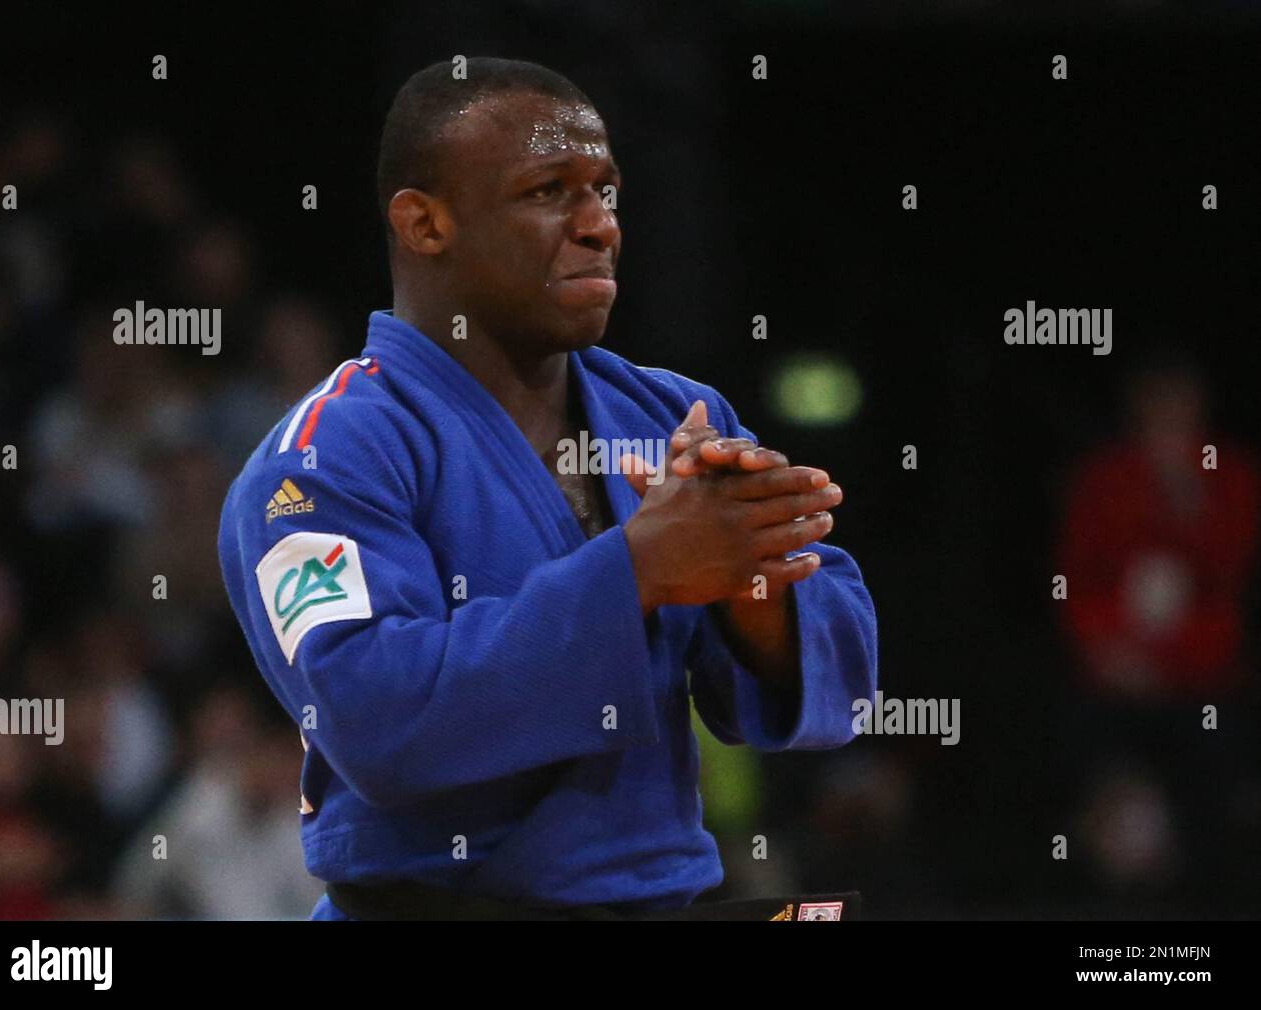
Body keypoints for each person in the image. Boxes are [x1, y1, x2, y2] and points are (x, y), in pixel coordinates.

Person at [217, 58, 877, 920]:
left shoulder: (674, 415)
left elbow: (847, 686)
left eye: (606, 190)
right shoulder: (321, 459)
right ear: (424, 223)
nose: (600, 225)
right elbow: (381, 721)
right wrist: (637, 571)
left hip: (668, 901)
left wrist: (752, 588)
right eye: (548, 191)